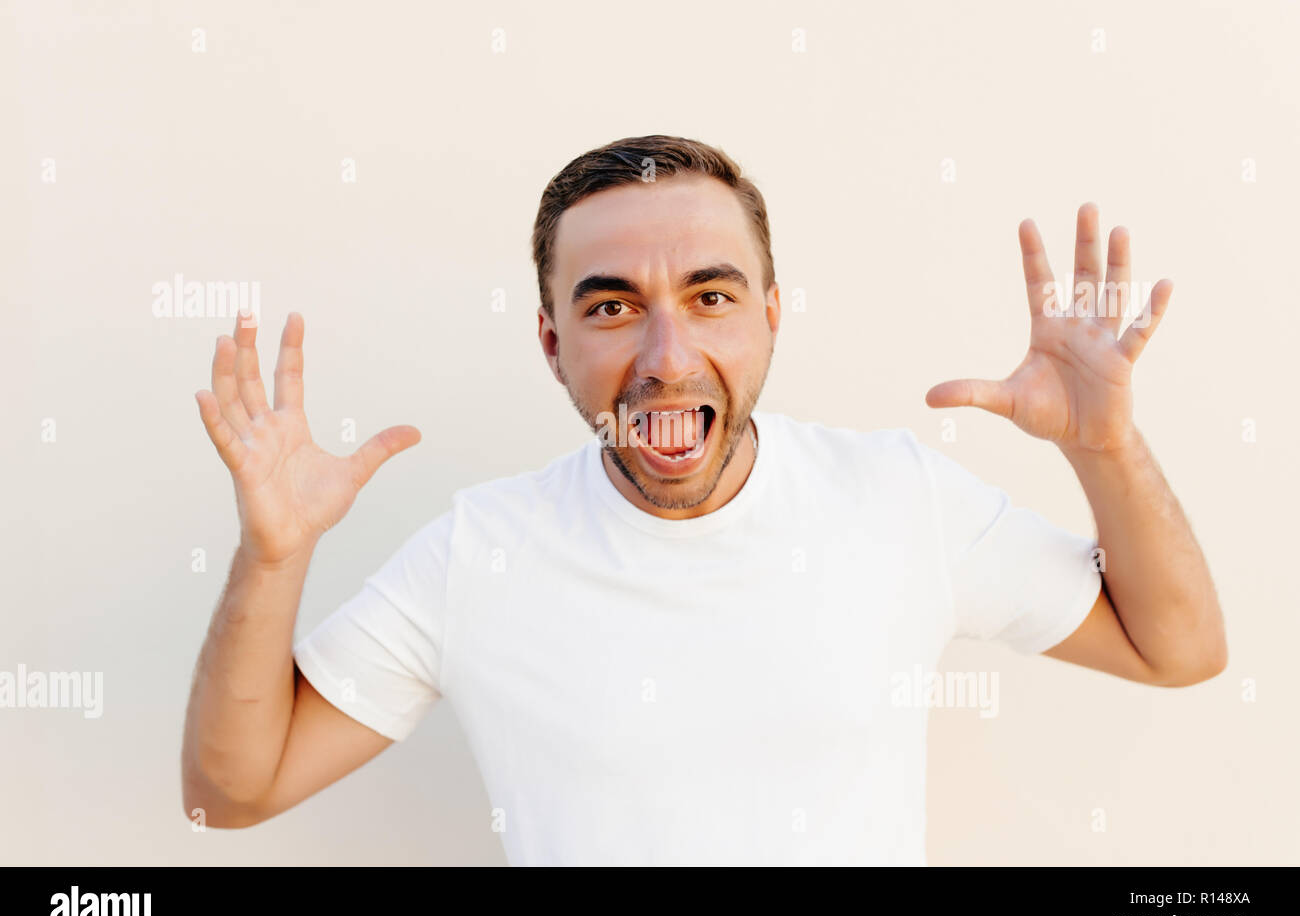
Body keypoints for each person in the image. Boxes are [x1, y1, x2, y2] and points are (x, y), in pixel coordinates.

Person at [181, 134, 1227, 865]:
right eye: (611, 305)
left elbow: (1177, 647)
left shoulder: (897, 497)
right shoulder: (478, 552)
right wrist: (272, 557)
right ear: (552, 342)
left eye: (710, 296)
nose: (665, 357)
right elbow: (227, 793)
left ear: (771, 315)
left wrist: (1107, 448)